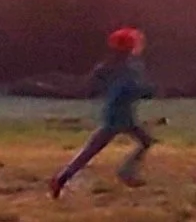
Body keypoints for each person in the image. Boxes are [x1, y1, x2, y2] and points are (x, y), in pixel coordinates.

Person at [50, 27, 155, 195]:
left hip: (116, 113)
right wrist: (146, 91)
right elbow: (129, 88)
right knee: (144, 141)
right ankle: (126, 172)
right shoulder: (129, 67)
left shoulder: (109, 66)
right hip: (120, 114)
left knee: (93, 149)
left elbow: (95, 85)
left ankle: (62, 179)